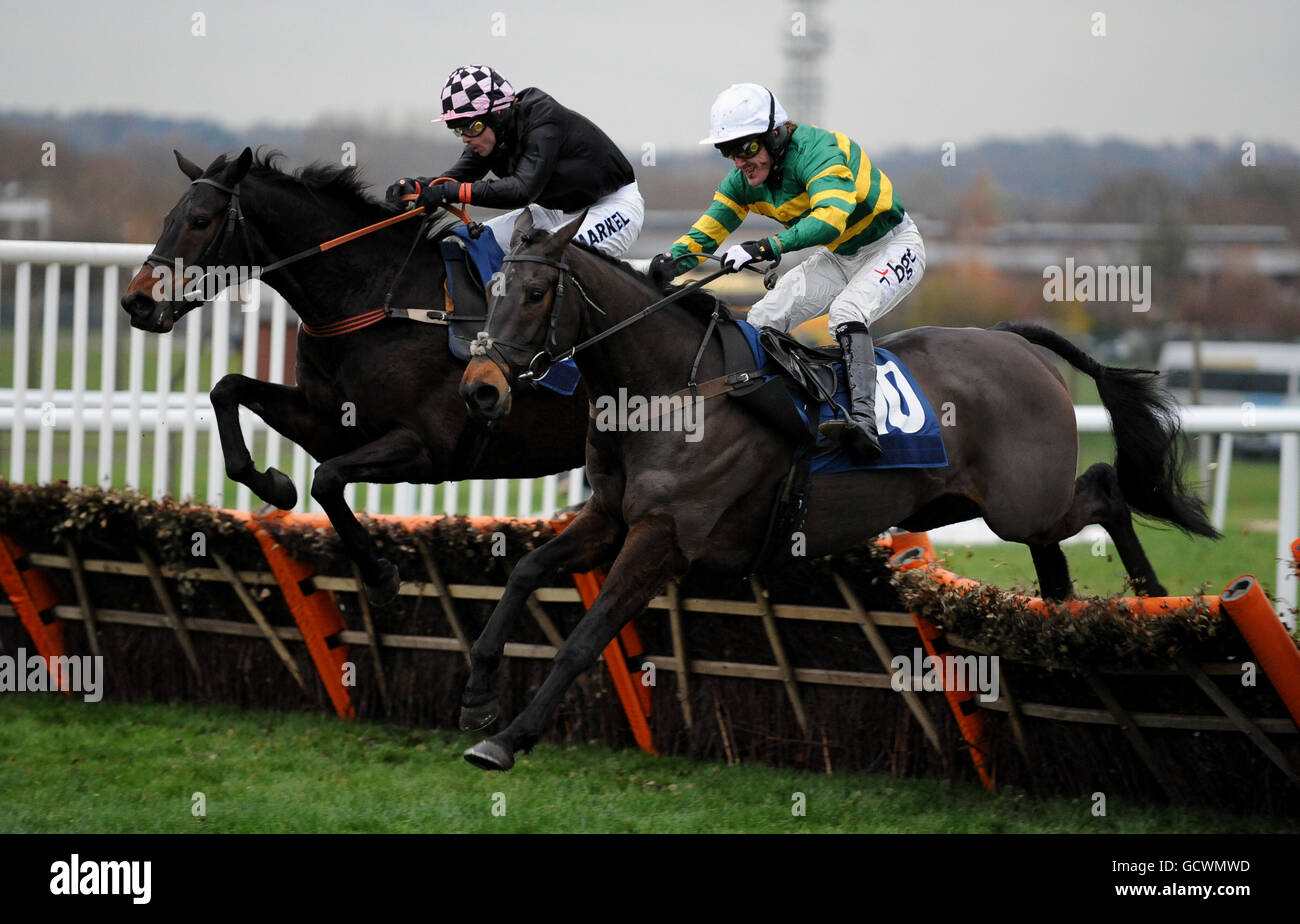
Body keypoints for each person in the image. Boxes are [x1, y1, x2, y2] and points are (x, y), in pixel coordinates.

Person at [650, 83, 926, 462]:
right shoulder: (743, 183)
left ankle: (863, 421)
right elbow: (708, 231)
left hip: (894, 245)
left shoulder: (820, 151)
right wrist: (671, 261)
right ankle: (775, 418)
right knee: (763, 318)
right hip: (840, 257)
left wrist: (764, 247)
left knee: (846, 313)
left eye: (746, 148)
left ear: (776, 134)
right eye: (728, 151)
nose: (739, 162)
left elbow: (829, 220)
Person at [387, 65, 644, 257]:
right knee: (466, 243)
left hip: (615, 205)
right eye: (458, 130)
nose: (466, 138)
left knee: (540, 261)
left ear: (498, 113)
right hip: (557, 212)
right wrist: (418, 187)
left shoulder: (544, 121)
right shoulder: (489, 137)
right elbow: (454, 179)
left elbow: (521, 190)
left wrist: (451, 192)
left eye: (472, 127)